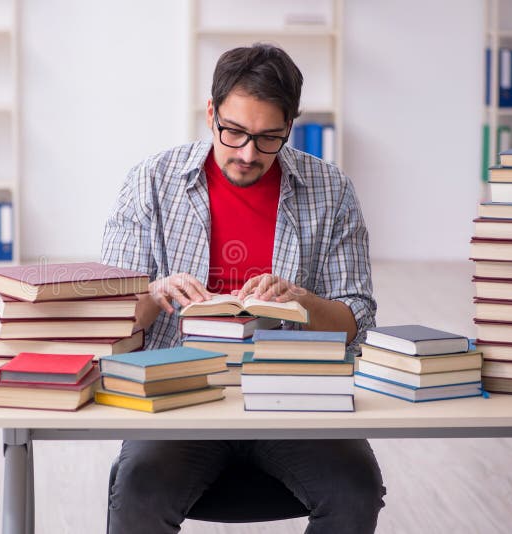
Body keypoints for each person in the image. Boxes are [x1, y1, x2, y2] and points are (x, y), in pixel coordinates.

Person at [101, 43, 385, 533]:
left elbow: (357, 320)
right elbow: (108, 318)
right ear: (211, 113)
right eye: (233, 132)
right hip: (181, 393)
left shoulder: (331, 190)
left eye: (269, 137)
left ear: (290, 127)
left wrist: (305, 302)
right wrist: (154, 294)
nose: (248, 154)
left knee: (355, 490)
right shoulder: (151, 181)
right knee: (139, 493)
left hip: (295, 393)